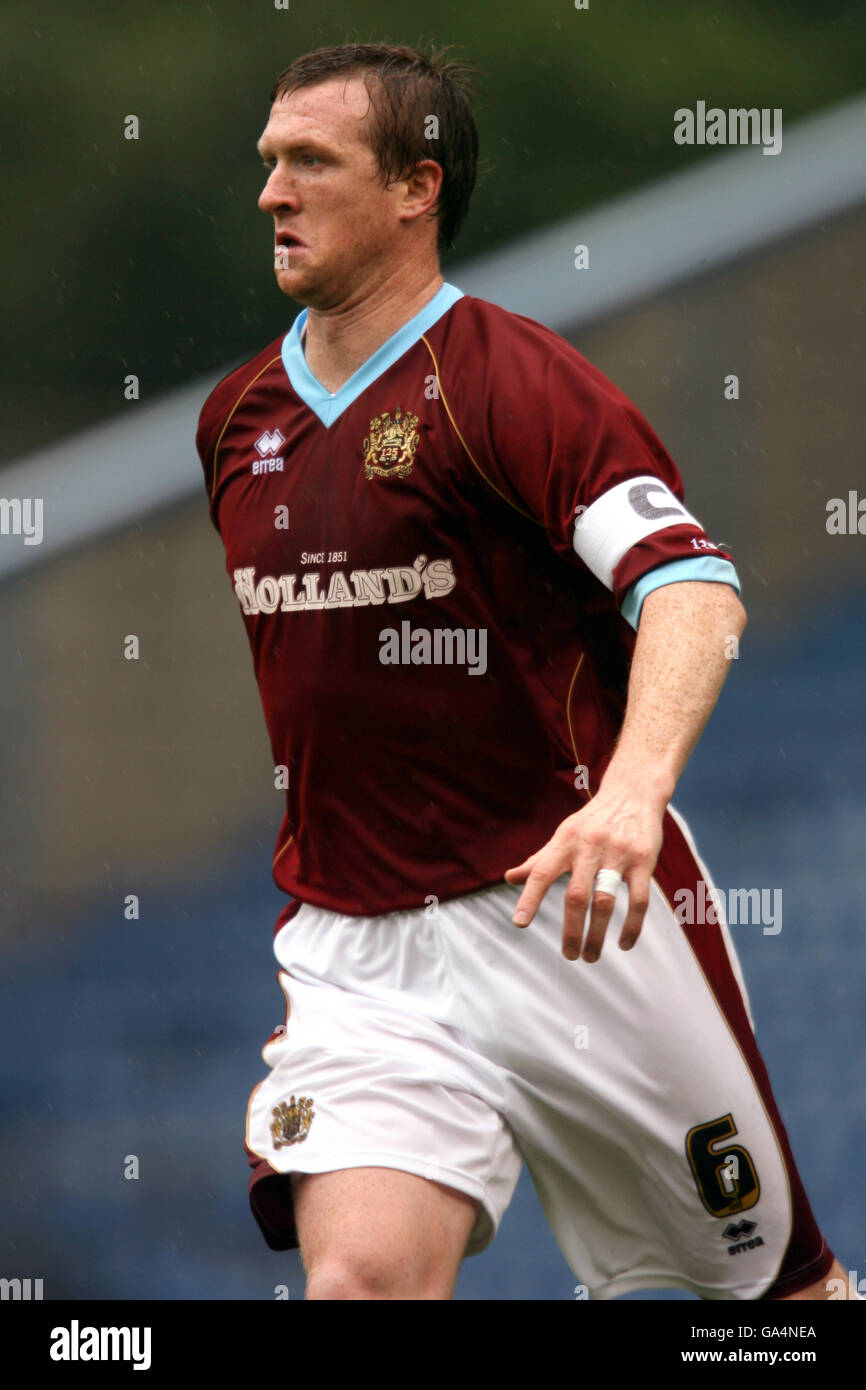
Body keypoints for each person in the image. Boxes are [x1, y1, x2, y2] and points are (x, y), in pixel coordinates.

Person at [195, 41, 854, 1301]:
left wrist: (628, 792)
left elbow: (691, 591)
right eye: (268, 161)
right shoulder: (235, 420)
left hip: (573, 919)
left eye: (310, 162)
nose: (271, 192)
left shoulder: (511, 384)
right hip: (357, 948)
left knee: (778, 1303)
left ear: (413, 189)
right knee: (359, 1286)